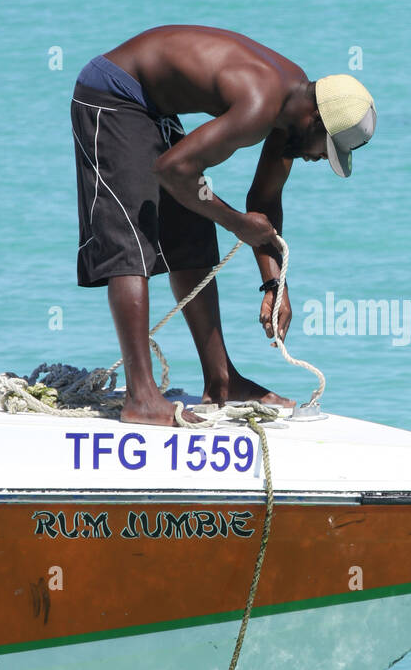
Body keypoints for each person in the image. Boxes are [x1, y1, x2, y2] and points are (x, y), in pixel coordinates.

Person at [70, 25, 376, 425]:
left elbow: (263, 203)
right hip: (112, 94)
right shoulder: (260, 103)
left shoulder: (292, 111)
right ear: (315, 120)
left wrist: (275, 285)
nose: (319, 159)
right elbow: (172, 170)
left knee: (192, 230)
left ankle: (222, 382)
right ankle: (140, 397)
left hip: (152, 107)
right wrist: (236, 224)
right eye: (326, 150)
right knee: (132, 240)